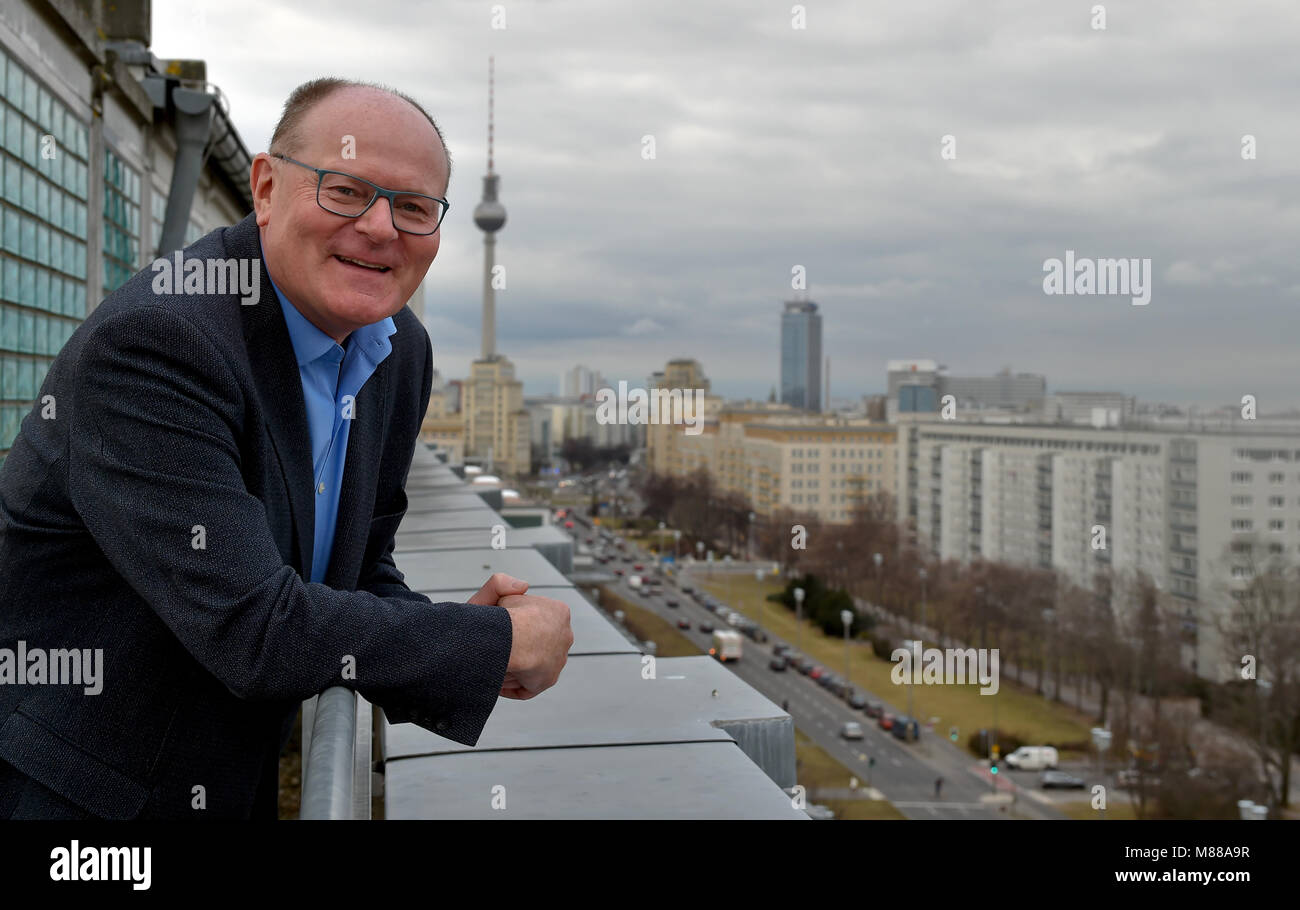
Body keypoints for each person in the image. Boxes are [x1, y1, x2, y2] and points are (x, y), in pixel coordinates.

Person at [0, 79, 572, 819]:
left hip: (231, 778)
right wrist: (482, 644)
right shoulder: (156, 346)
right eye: (345, 190)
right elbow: (256, 627)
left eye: (413, 206)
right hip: (82, 799)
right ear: (266, 188)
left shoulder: (397, 352)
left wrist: (458, 643)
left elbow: (357, 567)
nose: (379, 227)